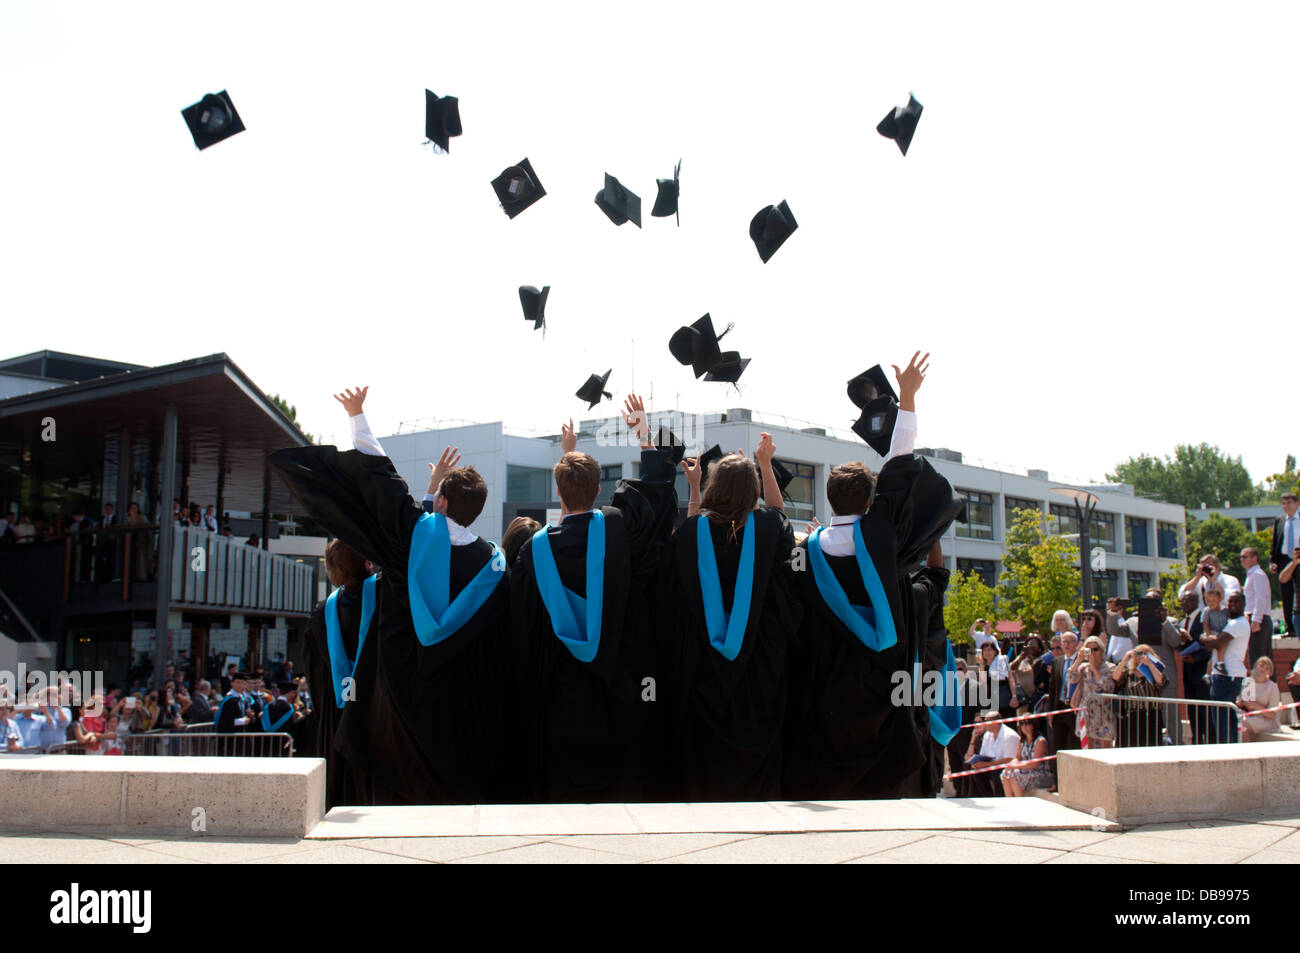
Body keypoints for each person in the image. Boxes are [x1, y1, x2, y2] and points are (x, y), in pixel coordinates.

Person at [269, 385, 518, 804]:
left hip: (401, 702)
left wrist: (357, 415)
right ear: (479, 509)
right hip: (463, 711)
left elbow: (381, 480)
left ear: (439, 501)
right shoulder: (495, 566)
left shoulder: (410, 540)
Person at [785, 351, 964, 799]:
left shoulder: (805, 554)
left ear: (829, 502)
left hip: (827, 694)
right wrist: (906, 397)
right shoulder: (881, 539)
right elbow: (901, 462)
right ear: (869, 504)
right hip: (884, 692)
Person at [510, 395, 678, 803]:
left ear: (556, 489)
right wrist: (643, 435)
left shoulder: (534, 553)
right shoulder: (619, 529)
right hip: (620, 685)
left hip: (560, 695)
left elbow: (521, 628)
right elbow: (654, 497)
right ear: (599, 486)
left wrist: (567, 455)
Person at [659, 432, 802, 801]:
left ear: (714, 486)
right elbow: (781, 518)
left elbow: (692, 537)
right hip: (759, 667)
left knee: (705, 755)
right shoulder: (769, 528)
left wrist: (693, 489)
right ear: (751, 490)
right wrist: (765, 465)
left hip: (704, 670)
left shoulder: (692, 532)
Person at [302, 538, 375, 807]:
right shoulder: (386, 601)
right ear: (365, 564)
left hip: (337, 714)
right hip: (376, 710)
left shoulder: (321, 615)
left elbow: (314, 676)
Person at [1105, 593, 1180, 700]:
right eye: (1147, 600)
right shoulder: (1132, 622)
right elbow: (1114, 630)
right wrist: (1113, 611)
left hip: (1164, 675)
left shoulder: (1171, 622)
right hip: (1140, 677)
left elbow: (1175, 642)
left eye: (1154, 600)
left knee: (1168, 714)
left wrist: (1164, 621)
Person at [1202, 591, 1250, 744]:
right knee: (1225, 723)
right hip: (1225, 676)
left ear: (1244, 605)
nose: (1233, 605)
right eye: (1230, 602)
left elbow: (1216, 643)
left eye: (1237, 602)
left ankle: (1229, 755)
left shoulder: (1238, 623)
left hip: (1227, 677)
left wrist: (1202, 637)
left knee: (1223, 724)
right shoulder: (1230, 622)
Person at [1176, 591, 1214, 743]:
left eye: (1189, 600)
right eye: (1183, 601)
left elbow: (1209, 645)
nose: (1185, 604)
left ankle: (1209, 743)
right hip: (1188, 675)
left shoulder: (1203, 619)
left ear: (1196, 601)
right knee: (1193, 714)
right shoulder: (1182, 622)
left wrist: (1196, 657)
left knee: (1205, 714)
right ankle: (1196, 741)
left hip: (1201, 673)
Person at [1112, 645, 1167, 747]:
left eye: (1145, 653)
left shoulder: (1154, 671)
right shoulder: (1129, 674)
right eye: (1139, 653)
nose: (1141, 656)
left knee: (1151, 744)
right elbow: (1115, 677)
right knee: (1133, 744)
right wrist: (1125, 659)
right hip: (1133, 714)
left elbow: (1160, 681)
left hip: (1151, 713)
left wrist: (1149, 664)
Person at [1068, 635, 1117, 748]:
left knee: (1105, 748)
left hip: (1104, 711)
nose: (1093, 653)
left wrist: (1095, 669)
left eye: (1095, 649)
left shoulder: (1110, 667)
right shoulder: (1084, 668)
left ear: (1102, 650)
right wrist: (1078, 660)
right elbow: (1070, 678)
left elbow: (1107, 686)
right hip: (1087, 711)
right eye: (1089, 650)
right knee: (1087, 748)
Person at [963, 711, 1019, 796]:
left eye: (986, 721)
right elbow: (984, 755)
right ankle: (986, 797)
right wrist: (978, 763)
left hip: (1005, 766)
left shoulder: (1009, 735)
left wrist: (986, 764)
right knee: (975, 770)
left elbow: (1009, 759)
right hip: (992, 764)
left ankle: (1000, 798)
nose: (985, 724)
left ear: (995, 723)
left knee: (996, 772)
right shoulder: (987, 735)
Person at [1269, 492, 1300, 638]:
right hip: (1284, 560)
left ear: (1296, 504)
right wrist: (1273, 561)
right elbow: (1275, 542)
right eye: (1283, 503)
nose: (1286, 506)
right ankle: (1290, 628)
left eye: (1289, 503)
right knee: (1286, 594)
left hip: (1299, 558)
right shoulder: (1280, 520)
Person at [1000, 715, 1052, 796]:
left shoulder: (1040, 741)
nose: (1024, 727)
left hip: (1041, 774)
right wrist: (1011, 764)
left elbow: (1034, 764)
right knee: (1006, 773)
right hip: (1025, 771)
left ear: (1033, 725)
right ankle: (1010, 801)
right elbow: (1017, 757)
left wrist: (1016, 766)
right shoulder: (1022, 741)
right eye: (1022, 724)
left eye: (1027, 724)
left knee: (1015, 775)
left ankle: (1020, 802)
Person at [1241, 546, 1273, 664]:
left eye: (1245, 556)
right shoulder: (1251, 574)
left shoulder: (1257, 574)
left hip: (1259, 619)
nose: (1242, 559)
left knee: (1259, 659)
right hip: (1254, 617)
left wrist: (1256, 620)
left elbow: (1261, 598)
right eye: (1241, 557)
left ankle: (1265, 682)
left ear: (1255, 558)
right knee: (1257, 657)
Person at [1238, 657, 1280, 742]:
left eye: (1267, 668)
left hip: (1266, 721)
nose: (1263, 669)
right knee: (1240, 726)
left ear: (1270, 673)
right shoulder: (1247, 682)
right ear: (1255, 666)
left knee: (1243, 724)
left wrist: (1256, 706)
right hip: (1247, 716)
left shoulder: (1272, 686)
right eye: (1261, 665)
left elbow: (1273, 715)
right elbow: (1243, 703)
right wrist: (1240, 703)